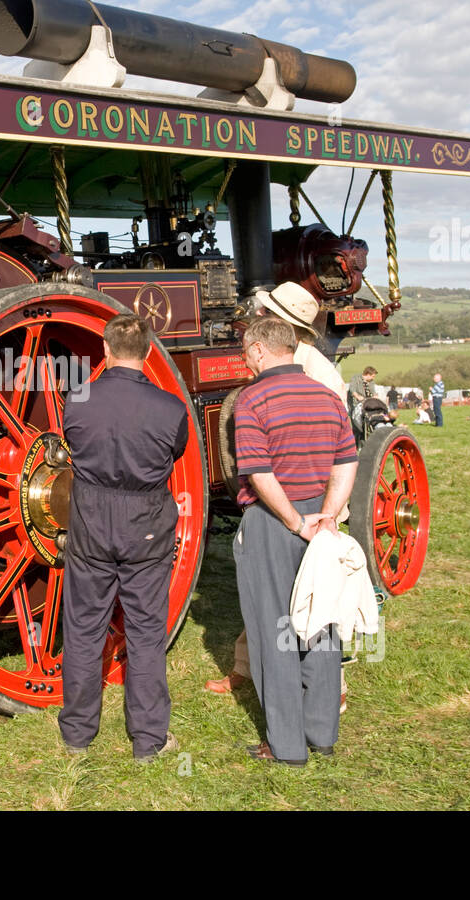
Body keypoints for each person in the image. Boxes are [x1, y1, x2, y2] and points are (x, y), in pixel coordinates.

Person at [206, 281, 349, 699]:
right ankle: (247, 667)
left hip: (312, 503)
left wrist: (323, 514)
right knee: (265, 592)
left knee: (314, 598)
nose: (258, 316)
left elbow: (335, 454)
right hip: (284, 502)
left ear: (282, 322)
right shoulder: (286, 361)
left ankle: (332, 688)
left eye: (265, 312)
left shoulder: (321, 377)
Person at [58, 314, 189, 763]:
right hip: (146, 526)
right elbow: (176, 452)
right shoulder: (171, 409)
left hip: (91, 524)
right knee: (147, 632)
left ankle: (77, 735)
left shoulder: (76, 401)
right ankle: (148, 742)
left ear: (105, 348)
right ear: (149, 352)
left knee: (82, 628)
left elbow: (72, 446)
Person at [232, 316, 357, 765]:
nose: (245, 360)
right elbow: (347, 462)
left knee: (275, 631)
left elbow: (259, 473)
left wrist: (292, 520)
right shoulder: (328, 397)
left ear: (261, 351)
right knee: (320, 622)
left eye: (246, 352)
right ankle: (322, 733)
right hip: (321, 517)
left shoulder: (253, 399)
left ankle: (286, 747)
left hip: (273, 520)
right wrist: (328, 516)